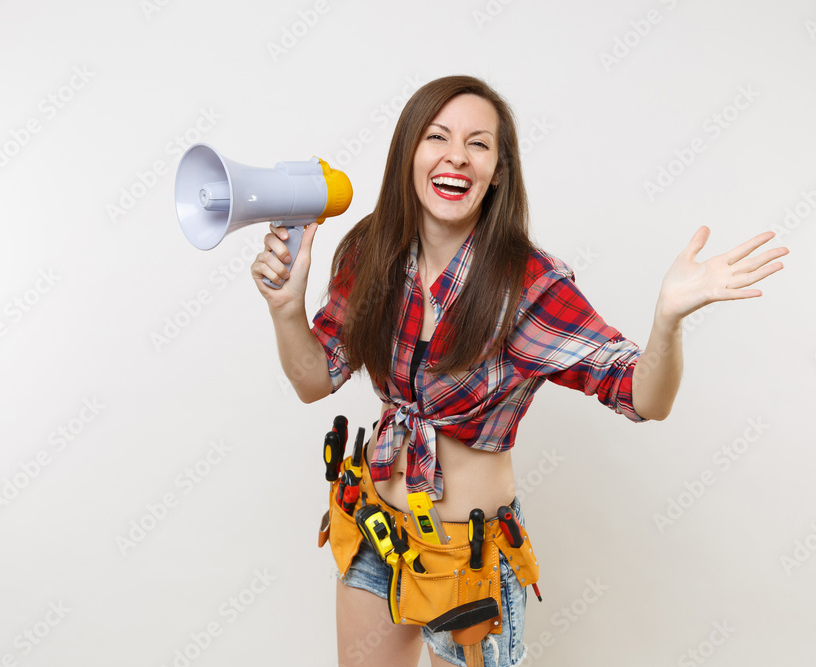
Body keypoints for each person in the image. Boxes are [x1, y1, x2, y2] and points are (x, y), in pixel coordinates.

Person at [251, 75, 787, 667]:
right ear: (409, 153)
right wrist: (286, 309)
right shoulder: (369, 252)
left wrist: (667, 321)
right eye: (437, 136)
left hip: (470, 560)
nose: (456, 154)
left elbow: (643, 395)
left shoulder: (526, 285)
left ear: (498, 171)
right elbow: (312, 380)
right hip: (376, 528)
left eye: (479, 143)